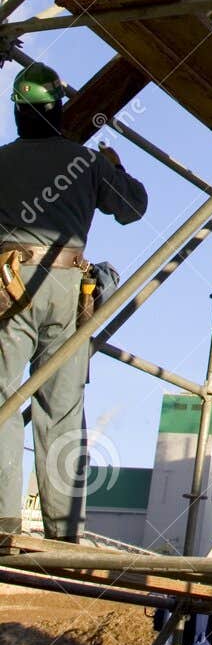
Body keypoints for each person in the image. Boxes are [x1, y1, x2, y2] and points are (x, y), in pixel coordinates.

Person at [0, 63, 148, 543]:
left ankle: (2, 521)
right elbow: (132, 209)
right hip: (68, 287)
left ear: (18, 113)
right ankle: (62, 530)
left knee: (3, 400)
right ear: (57, 111)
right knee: (61, 407)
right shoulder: (87, 163)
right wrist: (117, 167)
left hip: (8, 283)